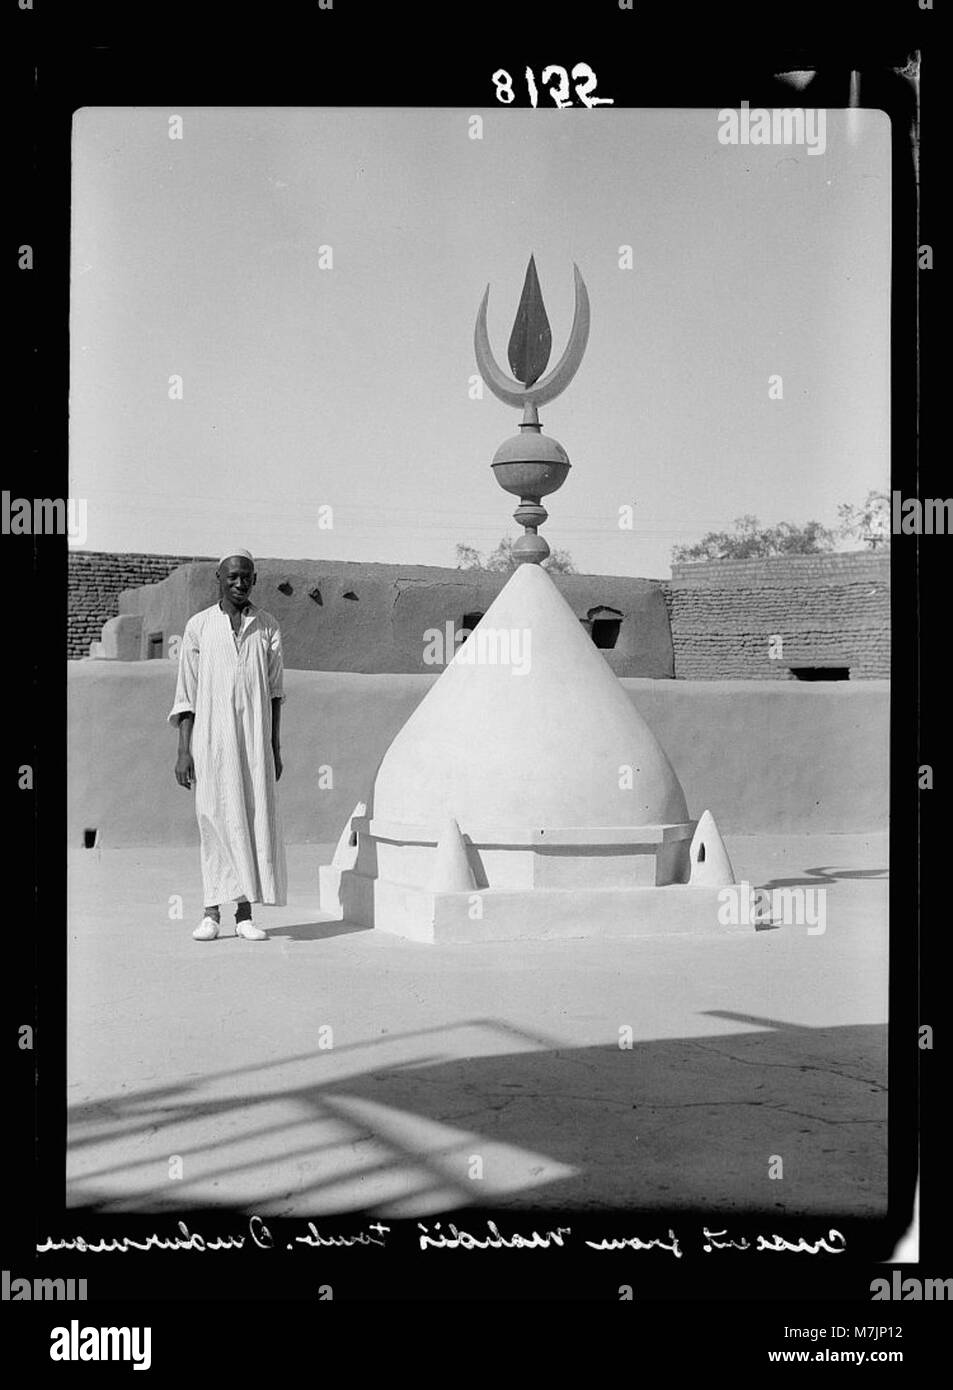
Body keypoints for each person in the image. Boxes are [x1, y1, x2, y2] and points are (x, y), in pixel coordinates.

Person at [169, 550, 287, 941]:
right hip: (210, 742)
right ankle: (210, 913)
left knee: (250, 820)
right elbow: (186, 694)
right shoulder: (199, 626)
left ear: (255, 580)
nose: (240, 583)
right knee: (213, 819)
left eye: (247, 577)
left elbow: (275, 692)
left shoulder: (267, 626)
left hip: (253, 743)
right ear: (218, 578)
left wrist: (273, 747)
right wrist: (183, 750)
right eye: (233, 576)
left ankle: (244, 914)